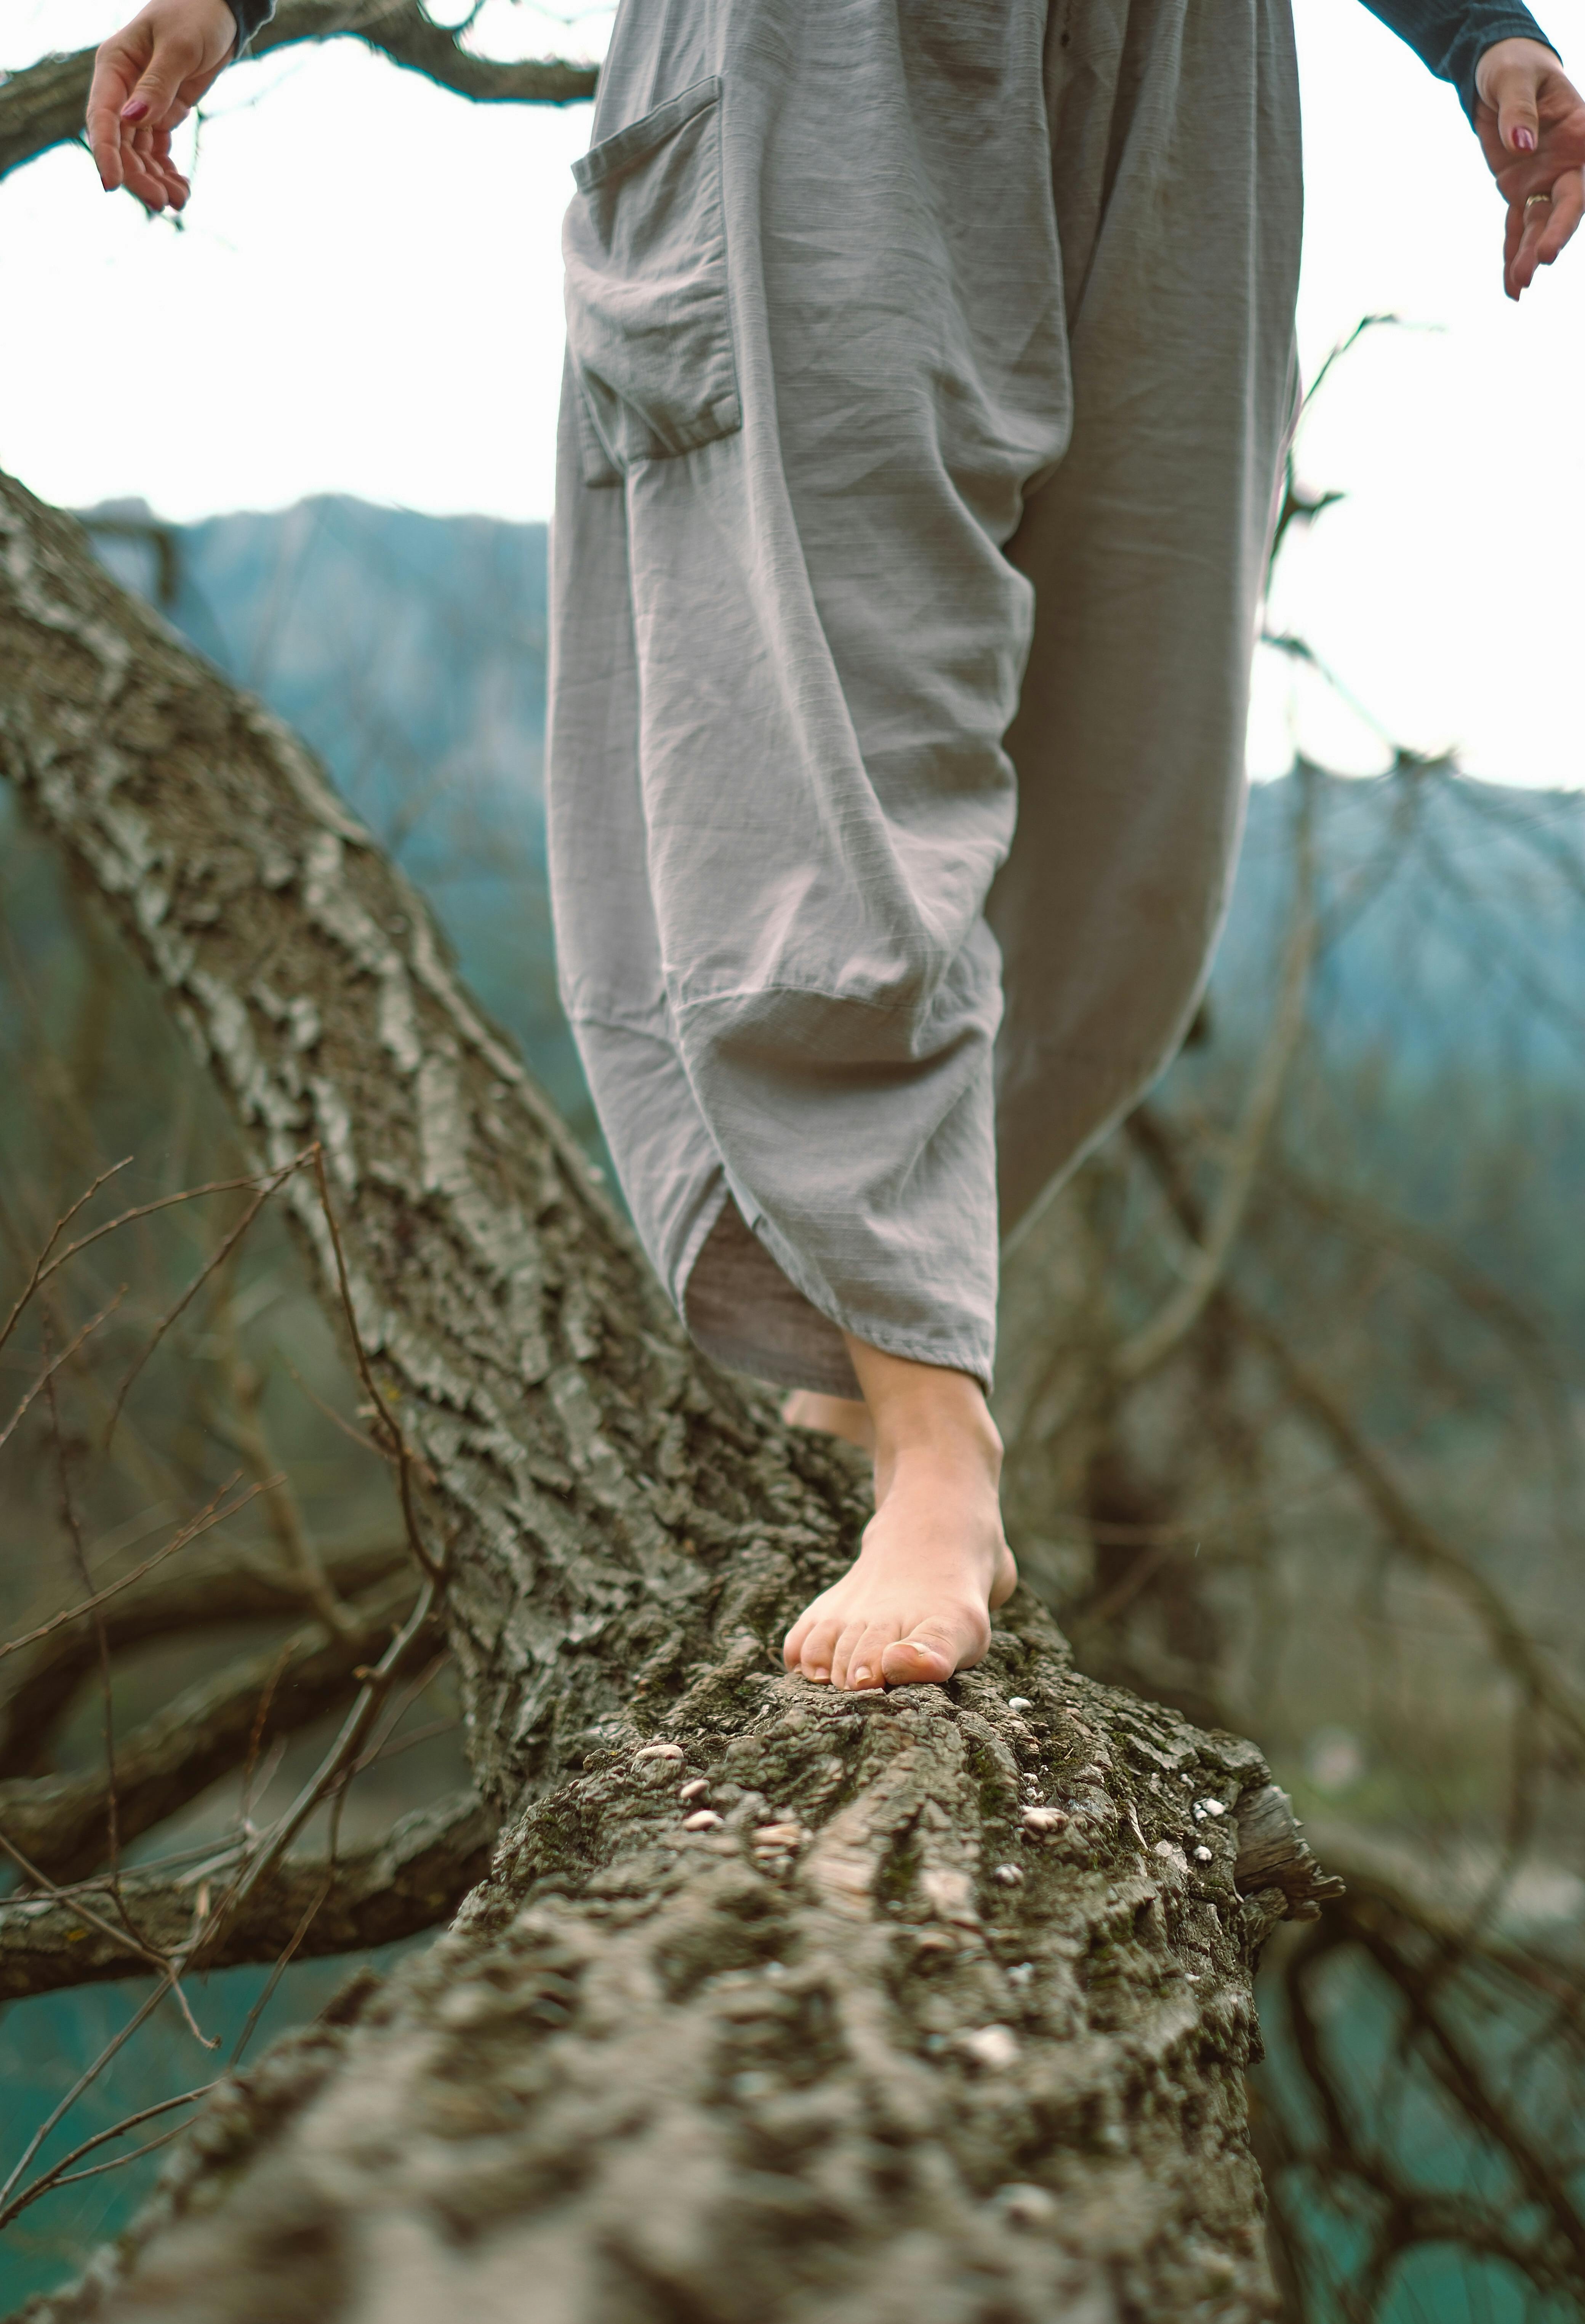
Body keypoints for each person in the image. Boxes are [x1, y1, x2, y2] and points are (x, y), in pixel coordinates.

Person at [89, 0, 1584, 1701]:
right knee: (829, 706)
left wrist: (1478, 34)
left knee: (1132, 784)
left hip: (1183, 52)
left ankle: (853, 1357)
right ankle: (931, 1431)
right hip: (831, 49)